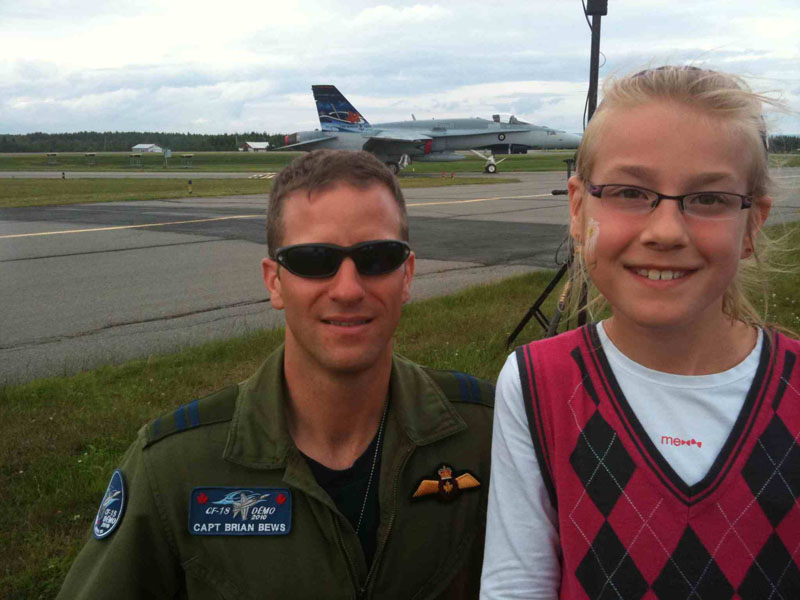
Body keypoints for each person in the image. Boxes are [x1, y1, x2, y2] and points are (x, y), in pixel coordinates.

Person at [59, 150, 494, 599]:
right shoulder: (174, 467)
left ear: (407, 275)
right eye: (312, 259)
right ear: (274, 282)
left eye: (377, 256)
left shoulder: (488, 436)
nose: (347, 289)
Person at [480, 66, 800, 599]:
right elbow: (517, 583)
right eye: (630, 192)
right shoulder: (538, 384)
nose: (666, 232)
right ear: (579, 209)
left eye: (709, 199)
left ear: (752, 224)